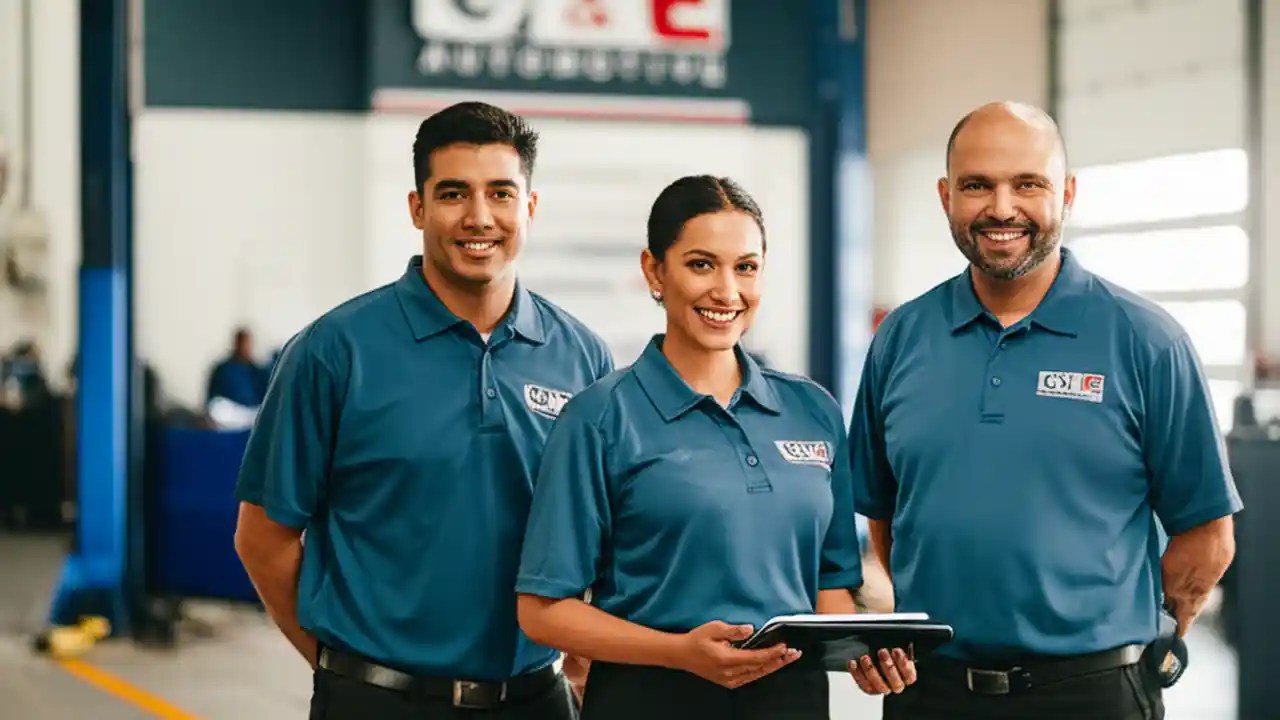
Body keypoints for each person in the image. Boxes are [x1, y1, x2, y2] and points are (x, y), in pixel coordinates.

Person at [850, 101, 1242, 720]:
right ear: (946, 196)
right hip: (933, 693)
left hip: (1092, 693)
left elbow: (1208, 536)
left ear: (1067, 194)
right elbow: (888, 513)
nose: (1001, 208)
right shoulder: (900, 338)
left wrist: (1146, 629)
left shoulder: (1146, 341)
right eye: (978, 185)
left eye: (1027, 184)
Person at [232, 101, 614, 719]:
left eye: (500, 193)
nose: (479, 217)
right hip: (378, 699)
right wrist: (345, 671)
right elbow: (264, 539)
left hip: (533, 700)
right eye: (453, 194)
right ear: (418, 208)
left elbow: (598, 538)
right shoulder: (335, 351)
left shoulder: (581, 357)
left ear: (530, 208)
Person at [515, 175, 916, 720]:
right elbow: (543, 611)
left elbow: (830, 594)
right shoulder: (600, 416)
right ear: (654, 271)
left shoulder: (813, 412)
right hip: (648, 703)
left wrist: (863, 657)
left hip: (790, 707)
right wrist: (678, 652)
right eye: (701, 264)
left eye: (746, 267)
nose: (727, 292)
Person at [205, 327, 266, 408]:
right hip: (228, 412)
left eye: (248, 344)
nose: (245, 348)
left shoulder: (258, 372)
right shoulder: (223, 370)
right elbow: (213, 400)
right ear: (236, 344)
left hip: (252, 413)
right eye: (243, 343)